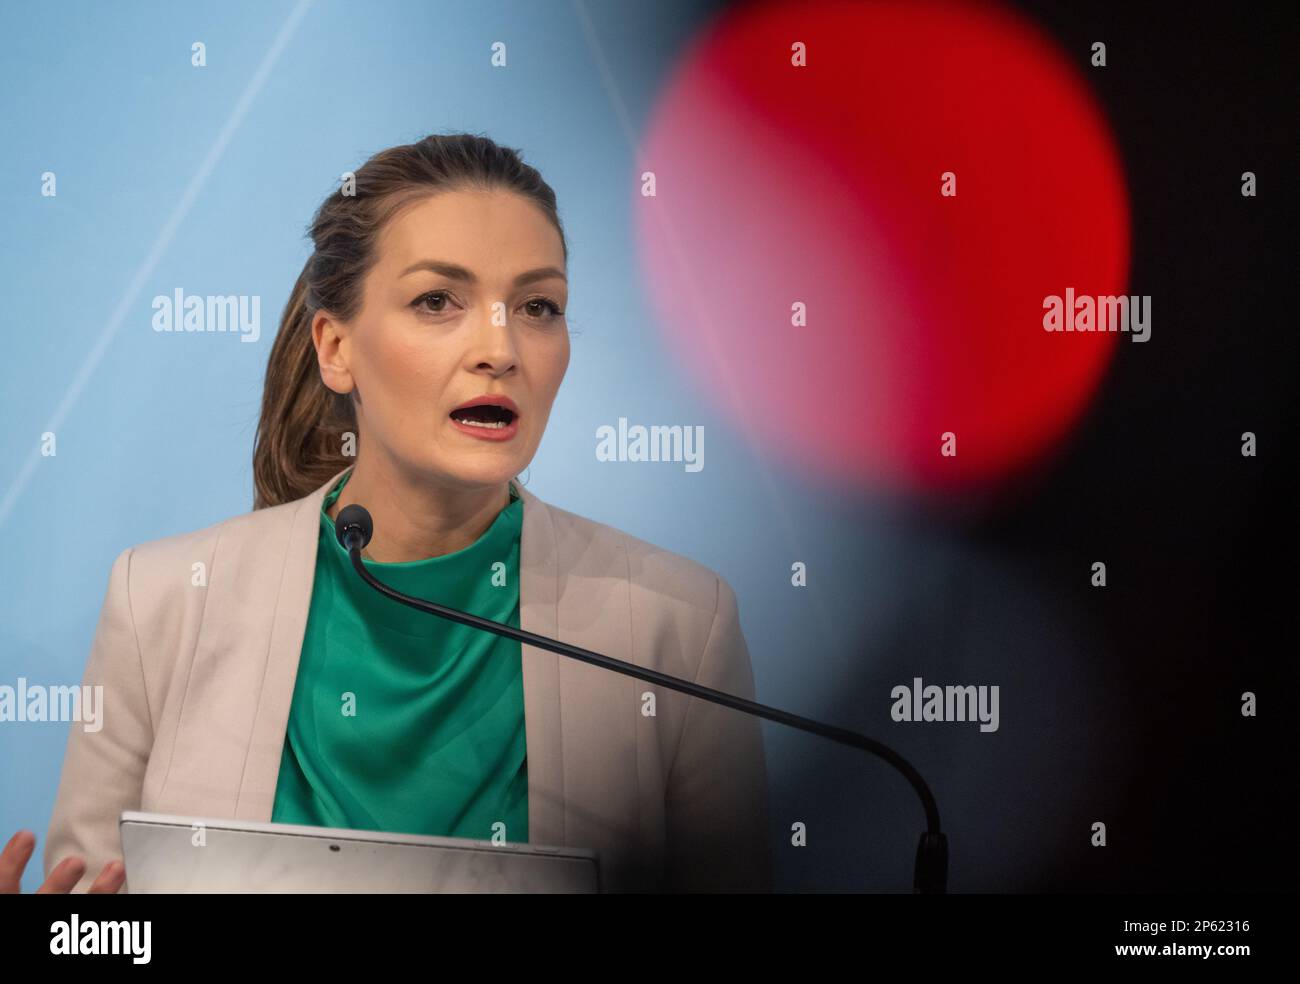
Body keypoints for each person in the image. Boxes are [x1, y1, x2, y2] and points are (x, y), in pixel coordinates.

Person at [0, 133, 772, 895]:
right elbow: (93, 929)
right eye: (439, 300)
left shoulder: (677, 632)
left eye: (538, 305)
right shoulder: (161, 600)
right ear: (336, 347)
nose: (500, 348)